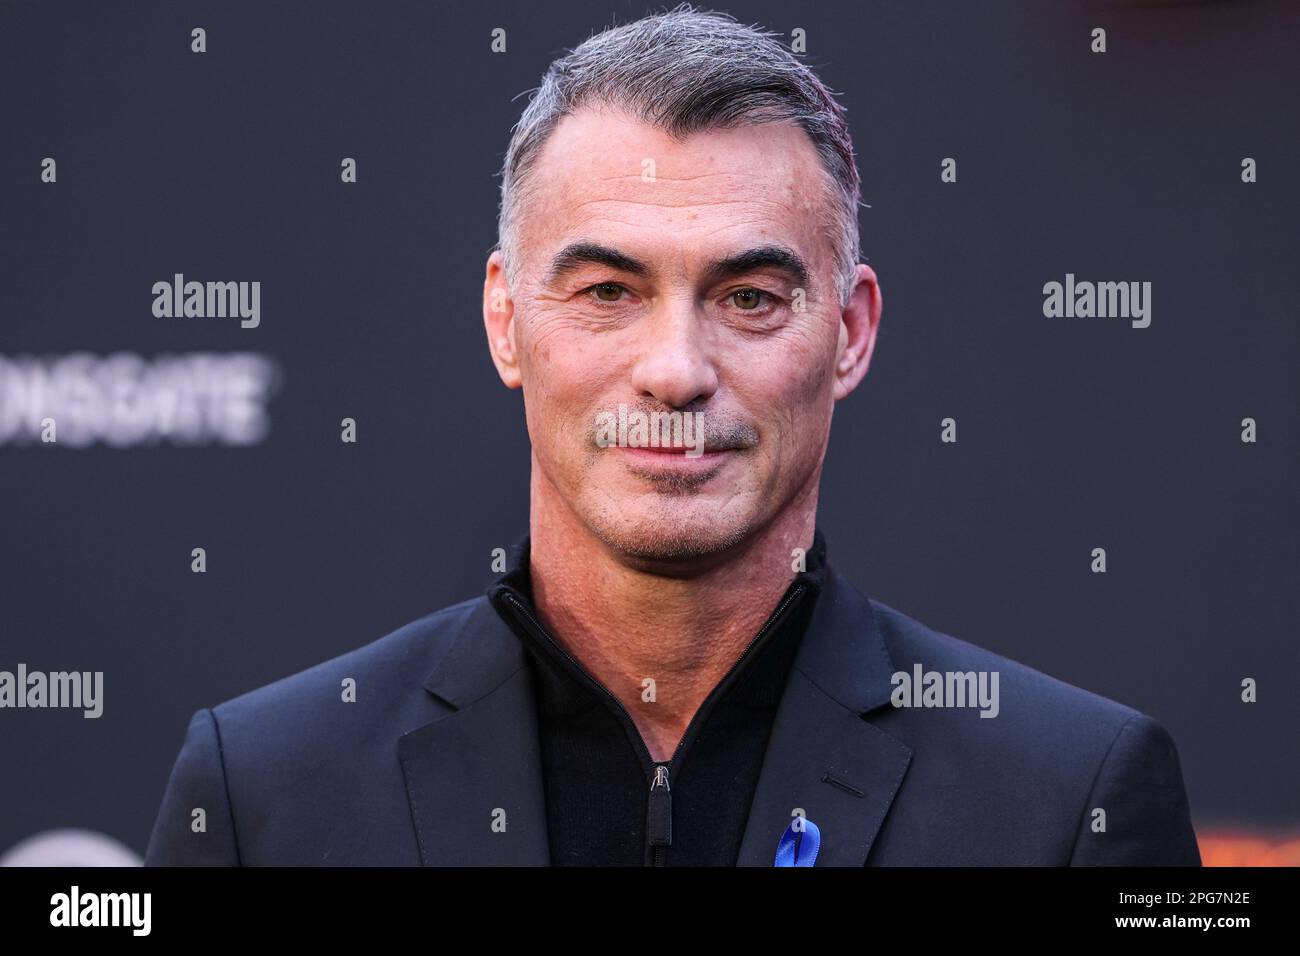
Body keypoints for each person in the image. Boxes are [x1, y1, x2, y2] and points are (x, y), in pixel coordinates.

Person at [145, 4, 1200, 867]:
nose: (676, 369)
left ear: (852, 330)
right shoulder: (266, 790)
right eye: (608, 289)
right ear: (506, 320)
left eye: (748, 297)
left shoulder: (1073, 797)